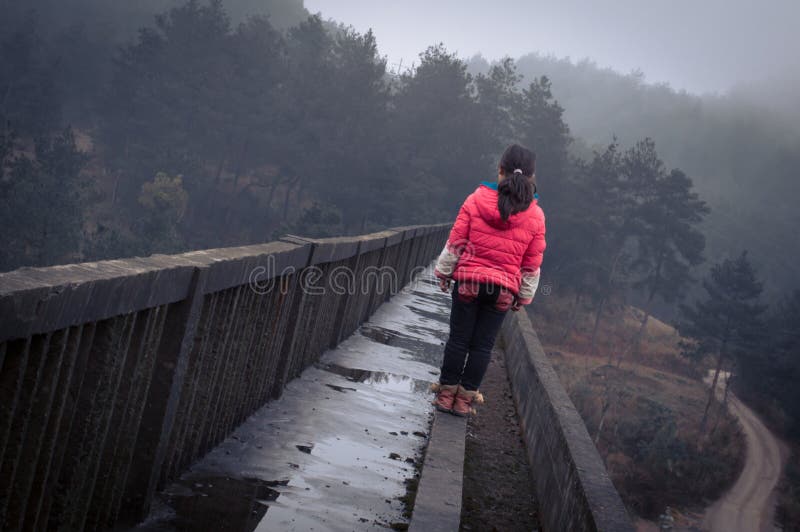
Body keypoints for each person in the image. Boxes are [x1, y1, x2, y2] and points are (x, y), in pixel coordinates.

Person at [432, 143, 546, 416]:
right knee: (483, 346)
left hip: (469, 282)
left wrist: (444, 272)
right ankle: (464, 402)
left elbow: (456, 242)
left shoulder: (475, 199)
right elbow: (532, 263)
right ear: (531, 177)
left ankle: (446, 396)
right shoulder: (536, 215)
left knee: (459, 340)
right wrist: (523, 295)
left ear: (499, 170)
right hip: (503, 290)